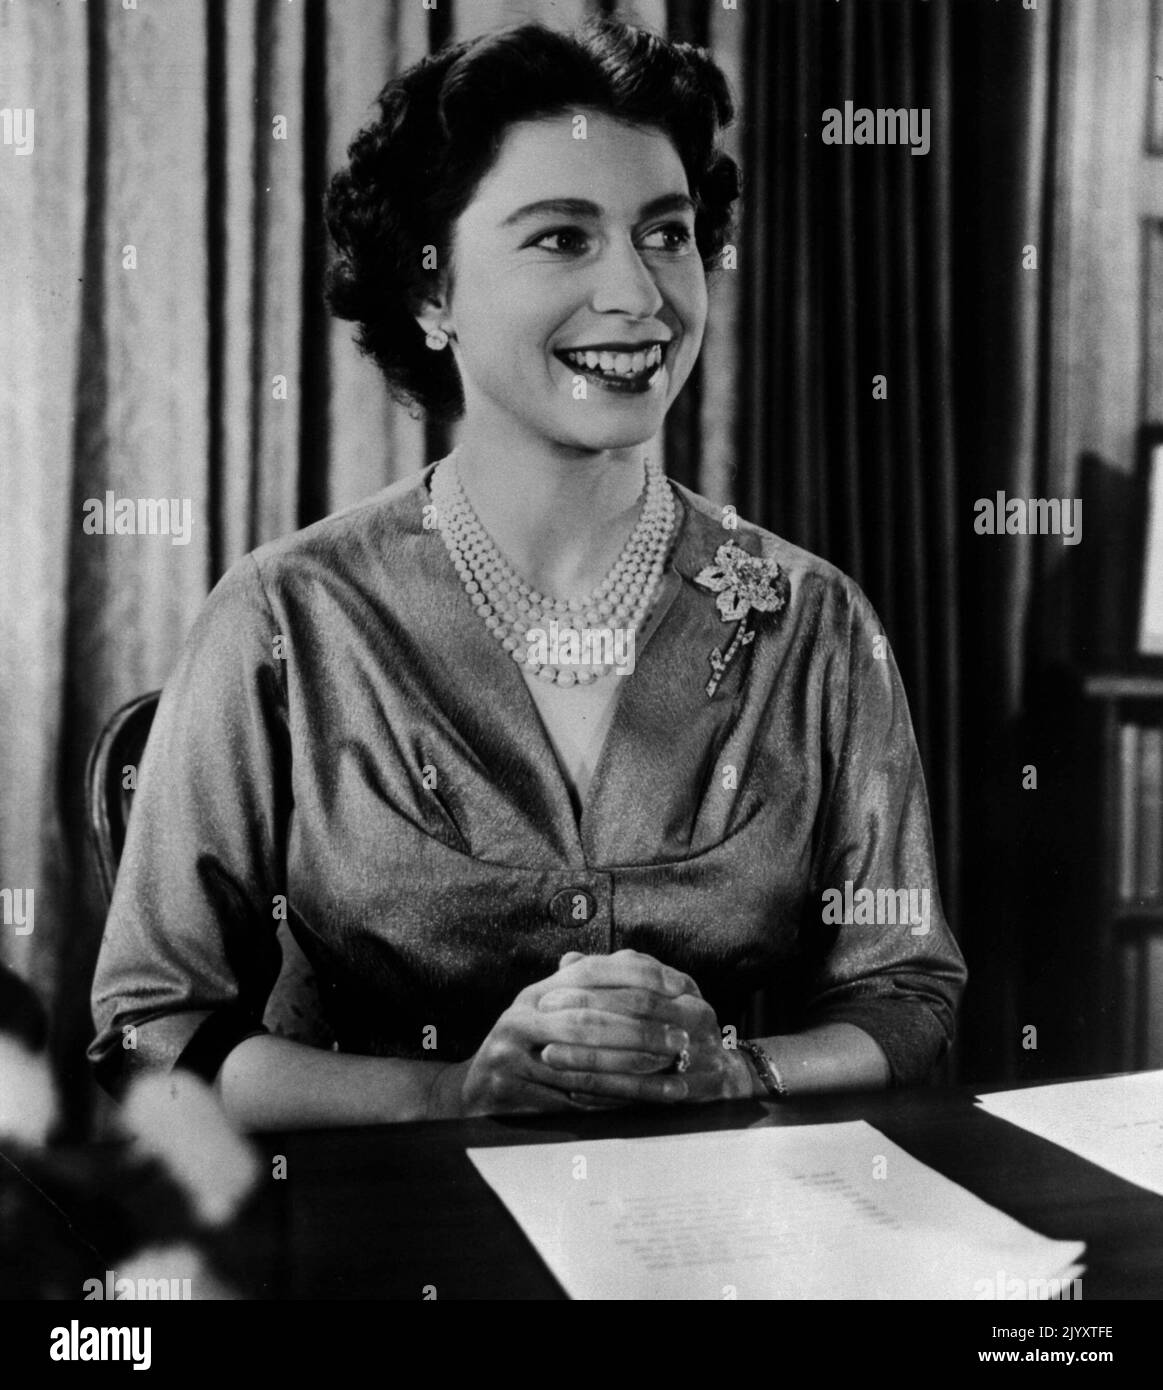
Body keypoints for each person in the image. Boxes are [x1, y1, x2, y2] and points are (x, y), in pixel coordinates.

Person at [89, 17, 966, 1128]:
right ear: (431, 293)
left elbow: (906, 991)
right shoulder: (285, 616)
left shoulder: (816, 620)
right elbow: (148, 1033)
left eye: (665, 234)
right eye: (560, 239)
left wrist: (741, 1070)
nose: (639, 297)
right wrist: (448, 1092)